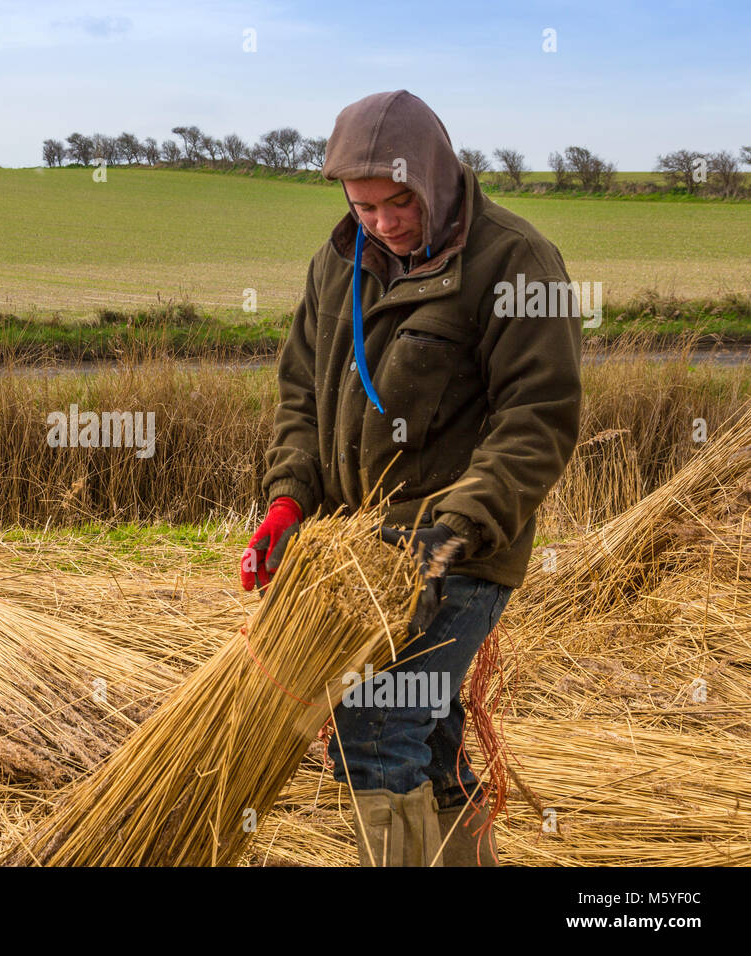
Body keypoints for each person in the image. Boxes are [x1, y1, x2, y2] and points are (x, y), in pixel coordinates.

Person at [240, 90, 582, 866]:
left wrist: (455, 528)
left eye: (400, 203)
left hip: (459, 552)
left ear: (434, 175)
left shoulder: (514, 262)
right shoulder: (338, 263)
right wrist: (287, 500)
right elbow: (300, 395)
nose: (384, 224)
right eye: (364, 207)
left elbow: (539, 416)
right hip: (359, 555)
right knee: (426, 737)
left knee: (375, 728)